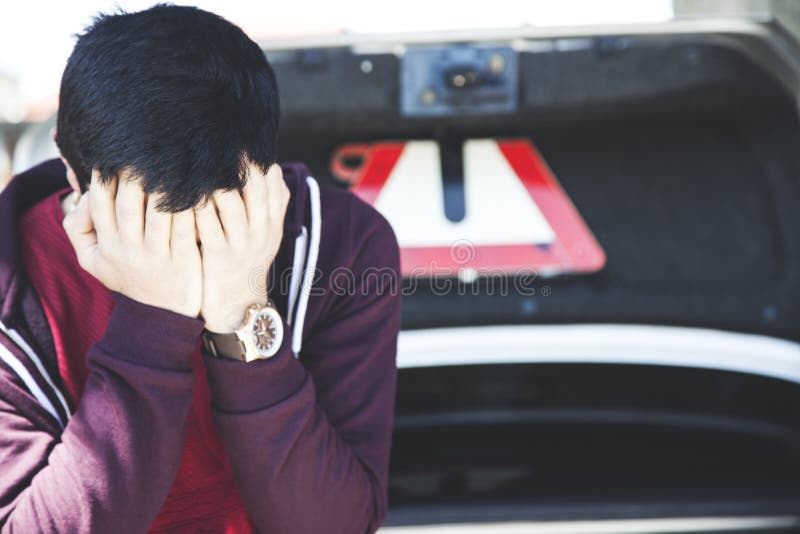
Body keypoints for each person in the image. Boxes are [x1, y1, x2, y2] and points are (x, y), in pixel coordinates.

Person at [0, 5, 400, 533]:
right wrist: (151, 317)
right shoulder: (15, 285)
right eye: (140, 222)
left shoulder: (342, 244)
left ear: (262, 171)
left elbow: (336, 524)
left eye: (207, 221)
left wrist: (242, 315)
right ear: (71, 172)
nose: (177, 252)